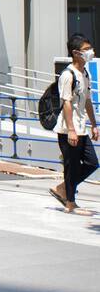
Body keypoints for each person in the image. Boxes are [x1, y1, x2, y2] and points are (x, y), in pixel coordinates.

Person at [51, 34, 99, 215]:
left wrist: (94, 124)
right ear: (75, 53)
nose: (90, 52)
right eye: (86, 50)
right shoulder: (68, 75)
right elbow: (67, 103)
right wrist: (71, 129)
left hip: (81, 127)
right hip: (67, 129)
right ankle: (70, 203)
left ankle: (63, 188)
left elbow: (87, 100)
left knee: (92, 163)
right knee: (72, 165)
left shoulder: (85, 73)